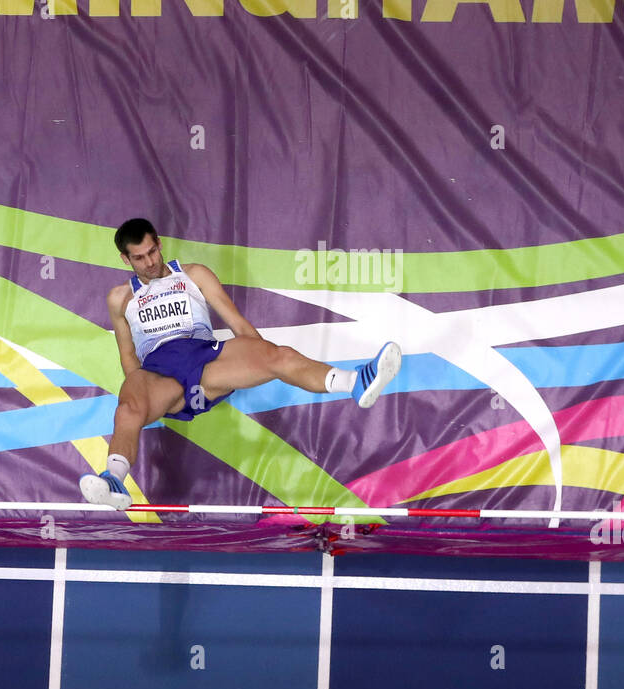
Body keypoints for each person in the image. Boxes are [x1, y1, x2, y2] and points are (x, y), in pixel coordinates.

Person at [80, 218, 402, 508]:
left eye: (152, 251)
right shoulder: (120, 298)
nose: (150, 261)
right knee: (128, 404)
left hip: (207, 358)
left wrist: (261, 354)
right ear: (125, 259)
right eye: (140, 257)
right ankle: (114, 479)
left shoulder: (193, 274)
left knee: (278, 355)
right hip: (161, 374)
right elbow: (127, 354)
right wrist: (143, 392)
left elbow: (237, 322)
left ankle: (355, 382)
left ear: (159, 244)